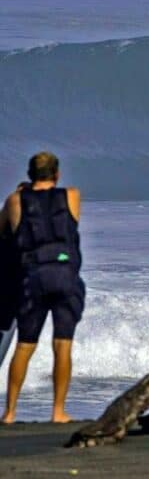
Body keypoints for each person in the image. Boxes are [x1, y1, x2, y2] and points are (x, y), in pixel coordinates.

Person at [1, 153, 85, 424]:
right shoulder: (71, 196)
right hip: (65, 277)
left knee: (25, 346)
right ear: (57, 174)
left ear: (29, 174)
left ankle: (10, 412)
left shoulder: (15, 202)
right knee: (62, 345)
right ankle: (58, 412)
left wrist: (19, 196)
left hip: (33, 278)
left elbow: (2, 231)